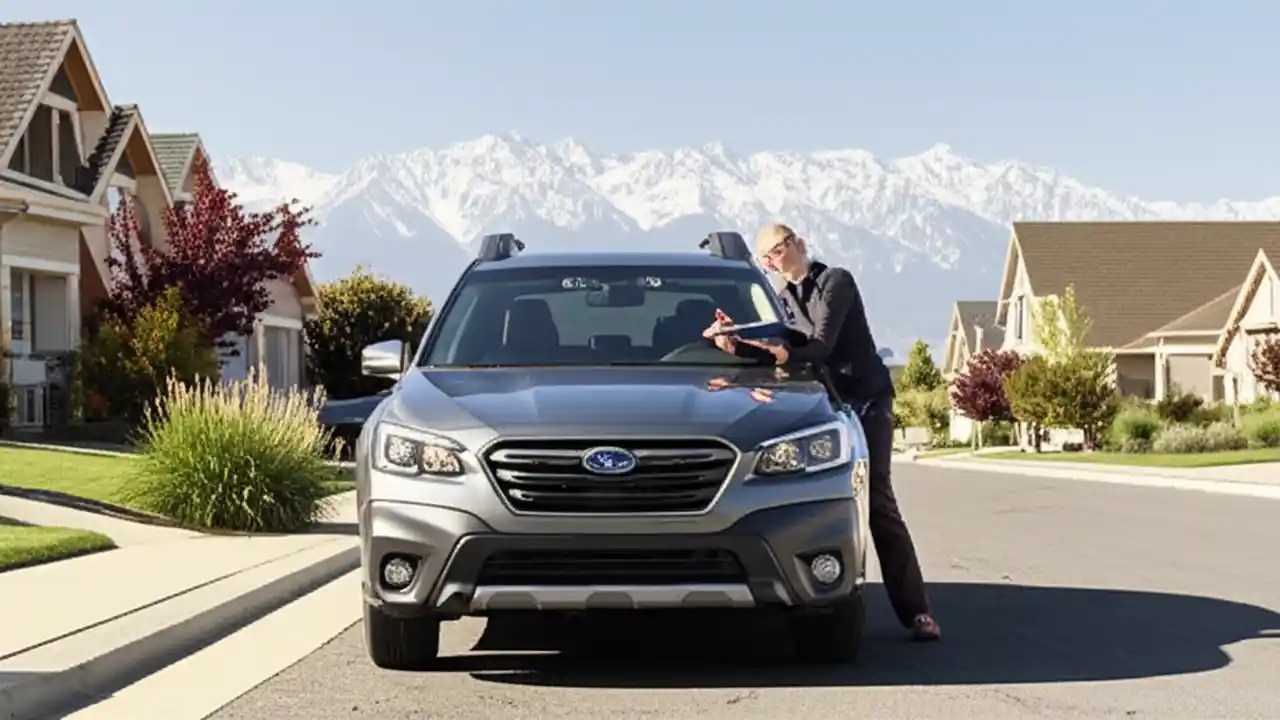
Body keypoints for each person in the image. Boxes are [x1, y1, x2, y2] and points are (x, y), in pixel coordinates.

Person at [704, 222, 942, 642]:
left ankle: (917, 612)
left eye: (775, 254)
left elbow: (817, 347)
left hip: (866, 403)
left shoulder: (835, 282)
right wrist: (734, 340)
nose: (772, 264)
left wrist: (775, 349)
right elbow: (780, 348)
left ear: (796, 243)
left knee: (879, 501)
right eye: (766, 260)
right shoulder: (782, 299)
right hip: (828, 408)